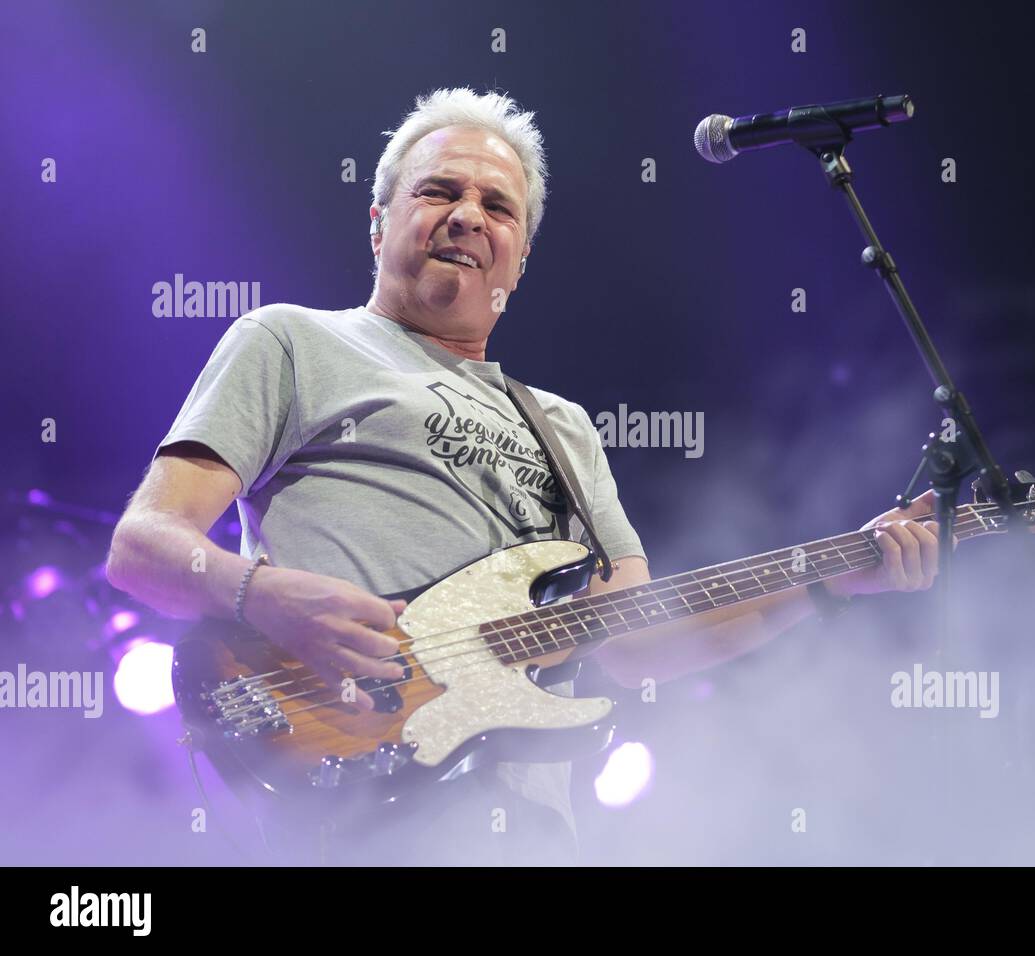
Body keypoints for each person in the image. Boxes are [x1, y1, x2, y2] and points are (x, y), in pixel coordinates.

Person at [106, 87, 942, 865]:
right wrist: (261, 592)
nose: (468, 214)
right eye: (439, 191)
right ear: (379, 221)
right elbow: (142, 547)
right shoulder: (290, 340)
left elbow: (638, 640)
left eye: (496, 206)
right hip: (347, 775)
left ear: (519, 259)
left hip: (524, 833)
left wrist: (831, 578)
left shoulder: (565, 428)